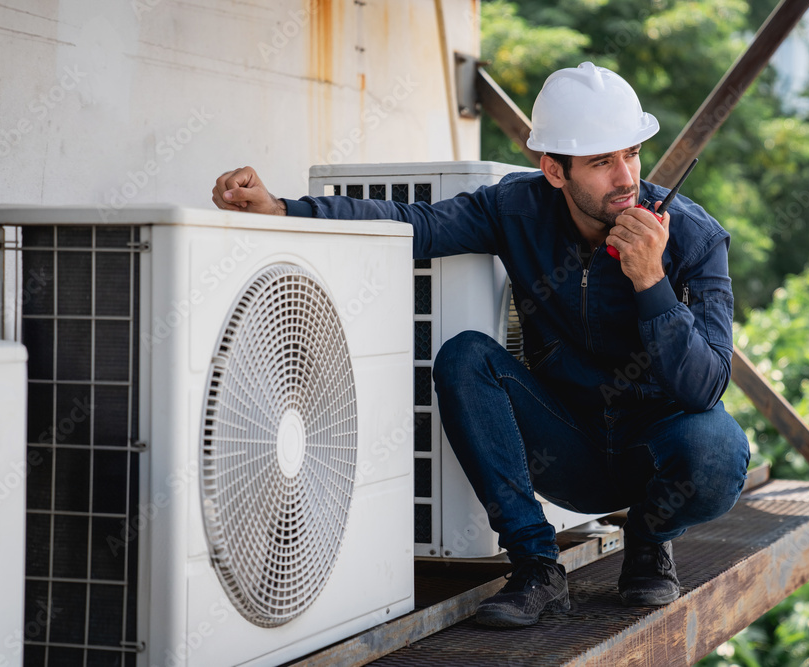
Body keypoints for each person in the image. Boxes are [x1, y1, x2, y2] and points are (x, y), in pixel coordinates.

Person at [211, 62, 750, 628]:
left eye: (632, 154)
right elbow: (411, 223)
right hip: (565, 444)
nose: (626, 177)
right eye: (601, 162)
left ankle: (648, 539)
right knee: (465, 356)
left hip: (653, 450)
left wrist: (651, 282)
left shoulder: (694, 237)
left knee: (719, 448)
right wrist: (284, 210)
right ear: (554, 170)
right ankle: (537, 566)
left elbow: (704, 387)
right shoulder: (517, 208)